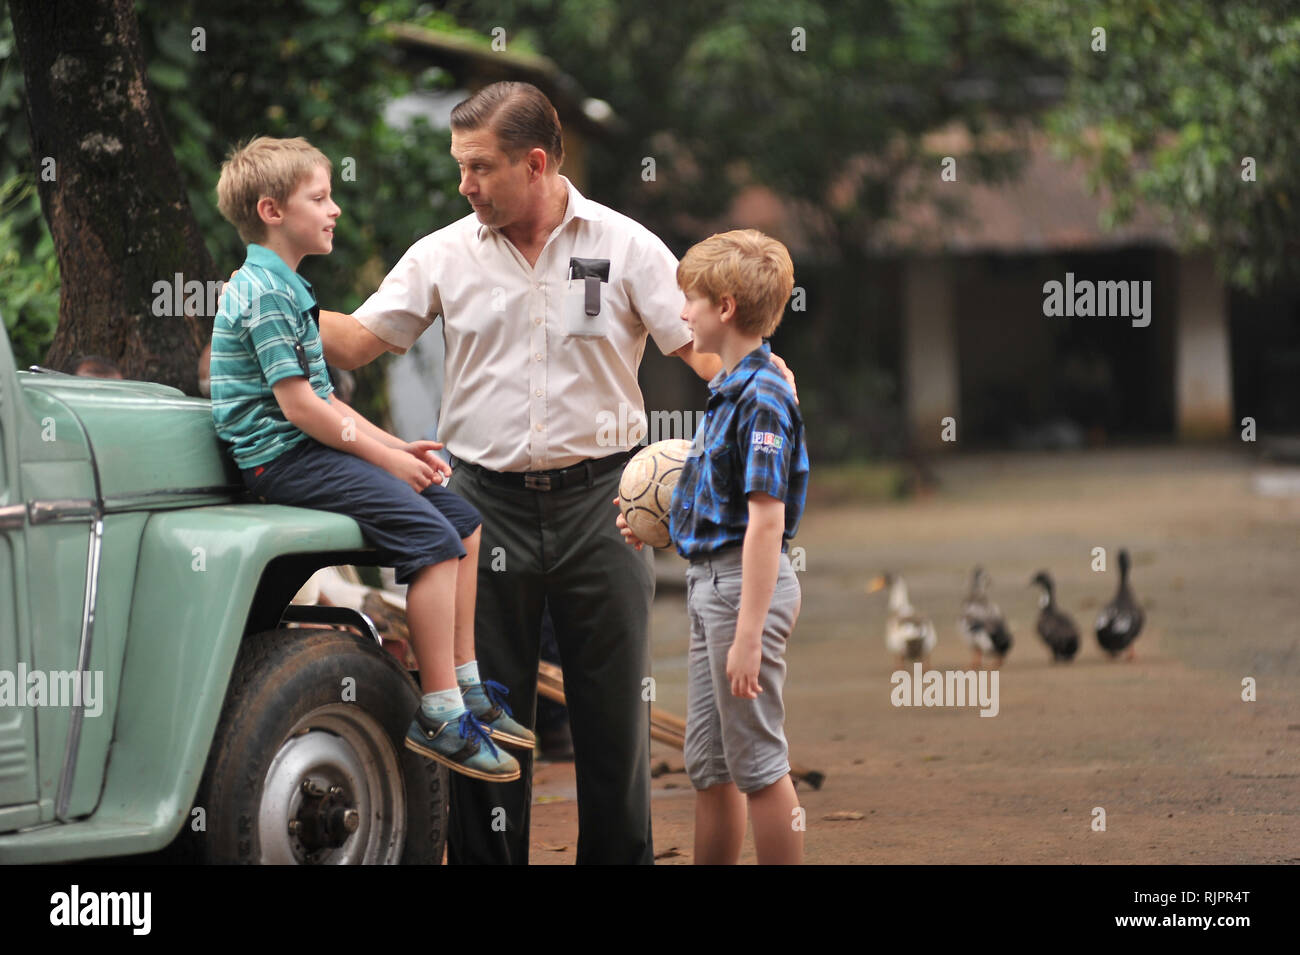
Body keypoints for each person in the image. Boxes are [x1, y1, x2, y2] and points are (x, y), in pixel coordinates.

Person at [316, 82, 795, 865]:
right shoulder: (442, 253)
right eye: (459, 166)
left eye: (479, 166)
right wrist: (269, 307)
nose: (464, 184)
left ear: (534, 163)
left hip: (607, 507)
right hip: (479, 509)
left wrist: (769, 375)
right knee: (485, 725)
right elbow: (364, 339)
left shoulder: (628, 246)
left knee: (613, 727)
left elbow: (706, 346)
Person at [208, 135, 532, 784]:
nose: (335, 210)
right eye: (320, 198)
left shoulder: (289, 287)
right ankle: (438, 711)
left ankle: (465, 684)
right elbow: (300, 409)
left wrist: (394, 448)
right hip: (285, 461)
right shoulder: (264, 293)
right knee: (432, 540)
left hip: (311, 447)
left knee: (462, 518)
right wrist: (384, 461)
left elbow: (329, 401)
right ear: (272, 211)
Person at [618, 229, 808, 864]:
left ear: (724, 307)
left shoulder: (763, 397)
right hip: (713, 587)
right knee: (710, 766)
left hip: (740, 595)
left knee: (758, 765)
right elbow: (725, 508)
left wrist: (750, 633)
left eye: (690, 300)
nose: (680, 312)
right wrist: (665, 528)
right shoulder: (728, 390)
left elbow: (764, 523)